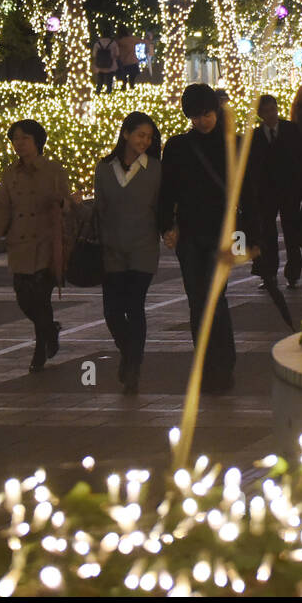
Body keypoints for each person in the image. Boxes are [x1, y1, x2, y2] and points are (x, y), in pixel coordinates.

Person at [158, 84, 258, 395]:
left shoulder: (234, 144)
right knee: (197, 302)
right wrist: (166, 226)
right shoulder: (177, 147)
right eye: (196, 116)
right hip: (190, 234)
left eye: (207, 113)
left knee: (216, 299)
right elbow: (168, 190)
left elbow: (249, 195)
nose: (203, 121)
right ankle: (206, 365)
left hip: (223, 235)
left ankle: (223, 368)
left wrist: (249, 238)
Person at [0, 120, 73, 372]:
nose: (19, 144)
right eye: (15, 139)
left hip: (46, 244)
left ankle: (39, 351)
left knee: (41, 298)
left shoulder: (53, 170)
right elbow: (2, 209)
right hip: (20, 244)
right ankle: (49, 331)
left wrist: (63, 202)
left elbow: (68, 206)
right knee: (24, 299)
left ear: (37, 142)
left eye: (24, 138)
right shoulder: (10, 173)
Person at [95, 112, 162, 395]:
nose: (145, 141)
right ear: (125, 134)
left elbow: (164, 206)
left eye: (148, 137)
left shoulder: (156, 169)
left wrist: (171, 228)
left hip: (143, 247)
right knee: (112, 311)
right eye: (140, 135)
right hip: (112, 248)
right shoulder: (104, 167)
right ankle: (129, 353)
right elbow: (100, 208)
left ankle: (133, 366)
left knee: (134, 307)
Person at [248, 94, 302, 288]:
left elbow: (301, 160)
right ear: (260, 114)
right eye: (266, 111)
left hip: (289, 191)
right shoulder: (255, 136)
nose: (271, 114)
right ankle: (269, 274)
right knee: (267, 234)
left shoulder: (291, 130)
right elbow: (252, 167)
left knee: (291, 232)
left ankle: (293, 273)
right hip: (266, 194)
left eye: (273, 109)